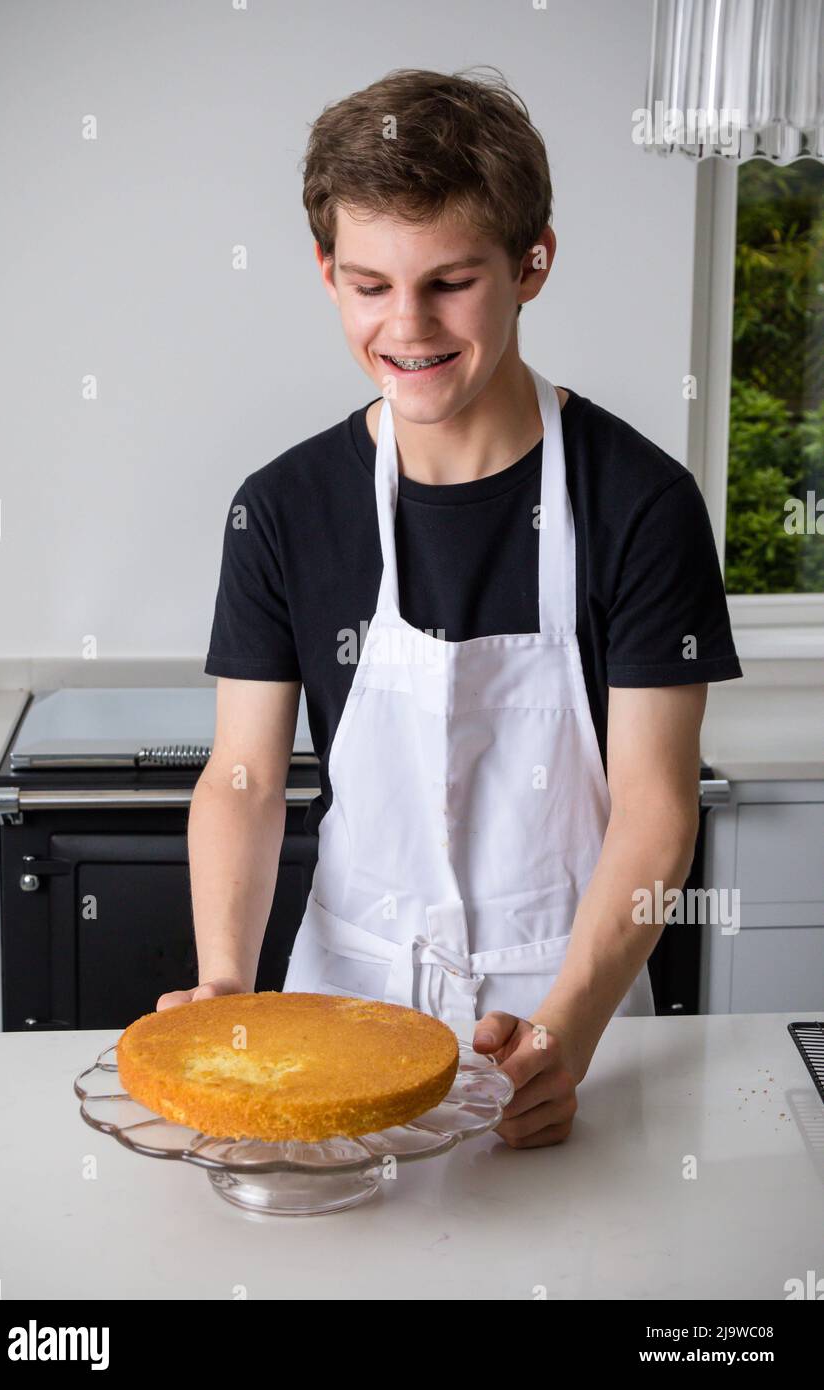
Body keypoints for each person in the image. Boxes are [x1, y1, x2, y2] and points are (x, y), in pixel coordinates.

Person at [159, 67, 743, 1149]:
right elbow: (241, 776)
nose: (406, 326)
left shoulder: (641, 504)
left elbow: (655, 811)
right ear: (327, 274)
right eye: (370, 284)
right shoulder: (283, 507)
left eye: (450, 281)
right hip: (336, 1008)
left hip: (565, 1009)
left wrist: (561, 1033)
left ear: (531, 266)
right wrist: (227, 986)